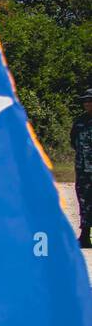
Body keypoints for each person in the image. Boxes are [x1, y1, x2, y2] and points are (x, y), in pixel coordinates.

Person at [73, 88, 92, 249]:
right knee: (84, 202)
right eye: (85, 101)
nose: (87, 103)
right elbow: (74, 142)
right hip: (83, 170)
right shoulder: (79, 121)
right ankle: (85, 236)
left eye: (90, 100)